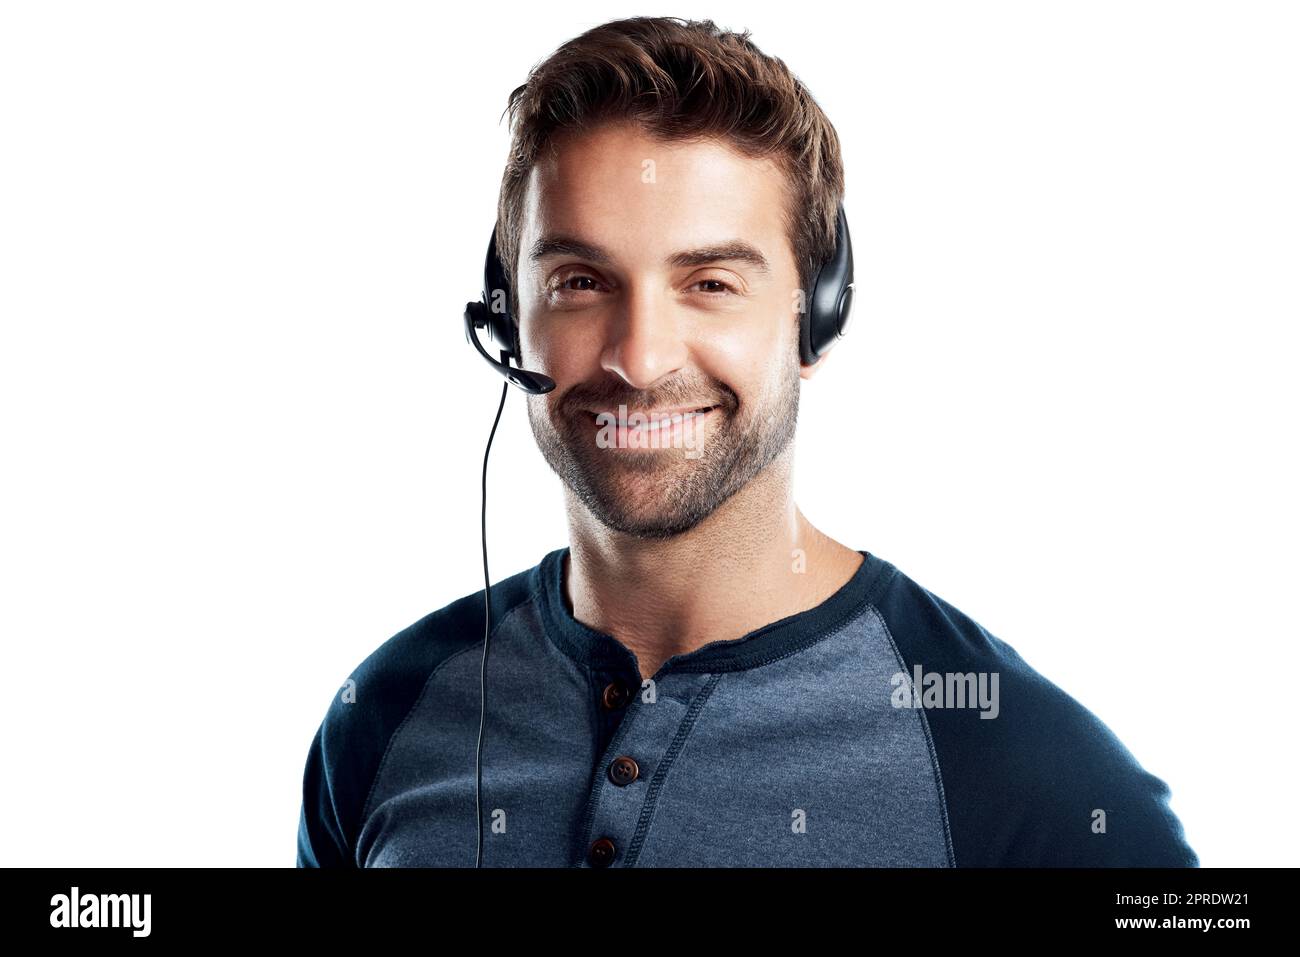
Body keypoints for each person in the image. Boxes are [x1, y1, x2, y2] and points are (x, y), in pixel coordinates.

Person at [296, 15, 1197, 868]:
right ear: (508, 315)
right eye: (580, 280)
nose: (640, 358)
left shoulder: (1025, 773)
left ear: (818, 317)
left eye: (712, 282)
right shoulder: (384, 718)